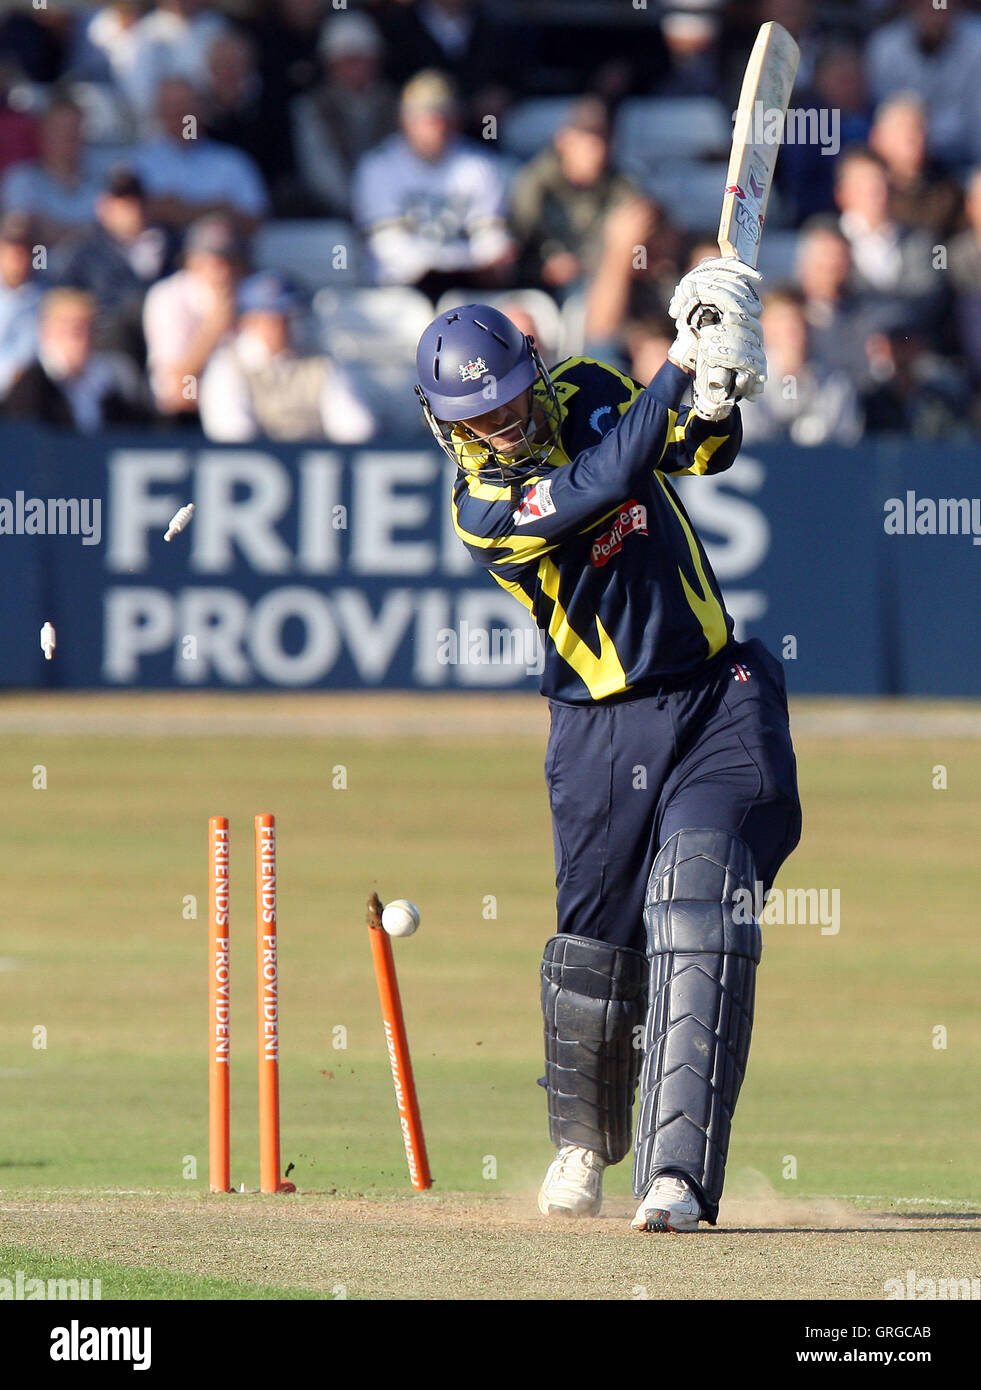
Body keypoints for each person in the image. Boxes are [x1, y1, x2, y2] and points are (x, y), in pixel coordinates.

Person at [414, 278, 802, 1232]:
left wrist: (714, 389)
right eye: (479, 414)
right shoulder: (482, 507)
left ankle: (676, 1178)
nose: (502, 423)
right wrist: (675, 362)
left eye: (508, 396)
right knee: (597, 953)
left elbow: (693, 454)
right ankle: (583, 1141)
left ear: (533, 369)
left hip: (716, 693)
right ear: (446, 423)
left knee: (702, 899)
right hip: (599, 728)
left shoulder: (589, 385)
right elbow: (600, 485)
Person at [352, 69, 513, 297]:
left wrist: (472, 261)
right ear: (406, 121)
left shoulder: (480, 165)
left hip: (467, 285)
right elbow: (386, 245)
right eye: (426, 117)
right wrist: (445, 262)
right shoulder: (377, 166)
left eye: (443, 115)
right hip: (400, 290)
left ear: (456, 119)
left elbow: (491, 239)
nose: (436, 125)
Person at [198, 271, 375, 442]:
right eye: (269, 319)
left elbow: (356, 429)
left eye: (287, 318)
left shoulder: (322, 363)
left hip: (316, 463)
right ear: (247, 321)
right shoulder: (228, 365)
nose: (279, 328)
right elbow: (233, 435)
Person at [509, 96, 636, 296]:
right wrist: (541, 267)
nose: (597, 151)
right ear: (563, 141)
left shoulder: (622, 185)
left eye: (603, 140)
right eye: (587, 142)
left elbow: (635, 250)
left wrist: (588, 265)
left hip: (599, 280)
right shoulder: (534, 184)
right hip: (539, 288)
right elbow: (514, 247)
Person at [2, 286, 152, 429]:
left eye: (85, 328)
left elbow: (131, 431)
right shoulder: (31, 385)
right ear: (45, 331)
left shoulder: (109, 386)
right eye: (69, 329)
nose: (78, 339)